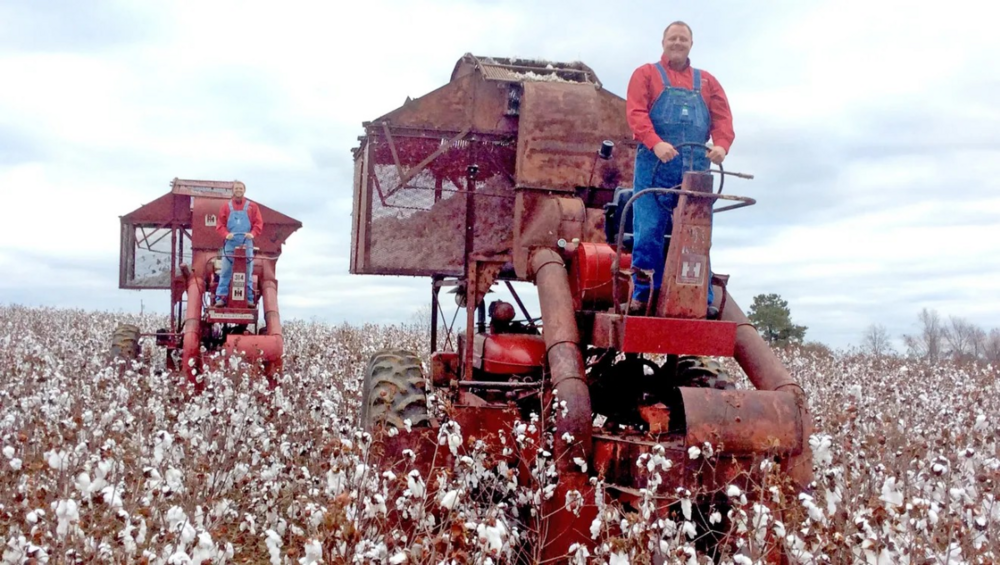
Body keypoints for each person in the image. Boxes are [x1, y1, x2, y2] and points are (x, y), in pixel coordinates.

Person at [625, 20, 734, 315]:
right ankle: (644, 293)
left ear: (691, 44)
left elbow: (723, 120)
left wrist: (722, 145)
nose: (677, 42)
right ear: (663, 42)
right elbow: (635, 112)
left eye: (683, 38)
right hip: (655, 165)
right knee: (648, 229)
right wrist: (655, 143)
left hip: (697, 166)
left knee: (696, 234)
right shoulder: (645, 74)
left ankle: (701, 298)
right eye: (672, 38)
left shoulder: (708, 82)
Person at [214, 180, 264, 307]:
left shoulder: (252, 207)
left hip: (246, 243)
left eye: (240, 188)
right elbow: (220, 225)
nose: (238, 190)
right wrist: (226, 234)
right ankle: (221, 298)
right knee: (225, 272)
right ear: (233, 190)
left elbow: (258, 223)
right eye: (236, 188)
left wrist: (252, 233)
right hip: (230, 244)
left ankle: (249, 299)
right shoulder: (226, 207)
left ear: (244, 190)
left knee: (247, 272)